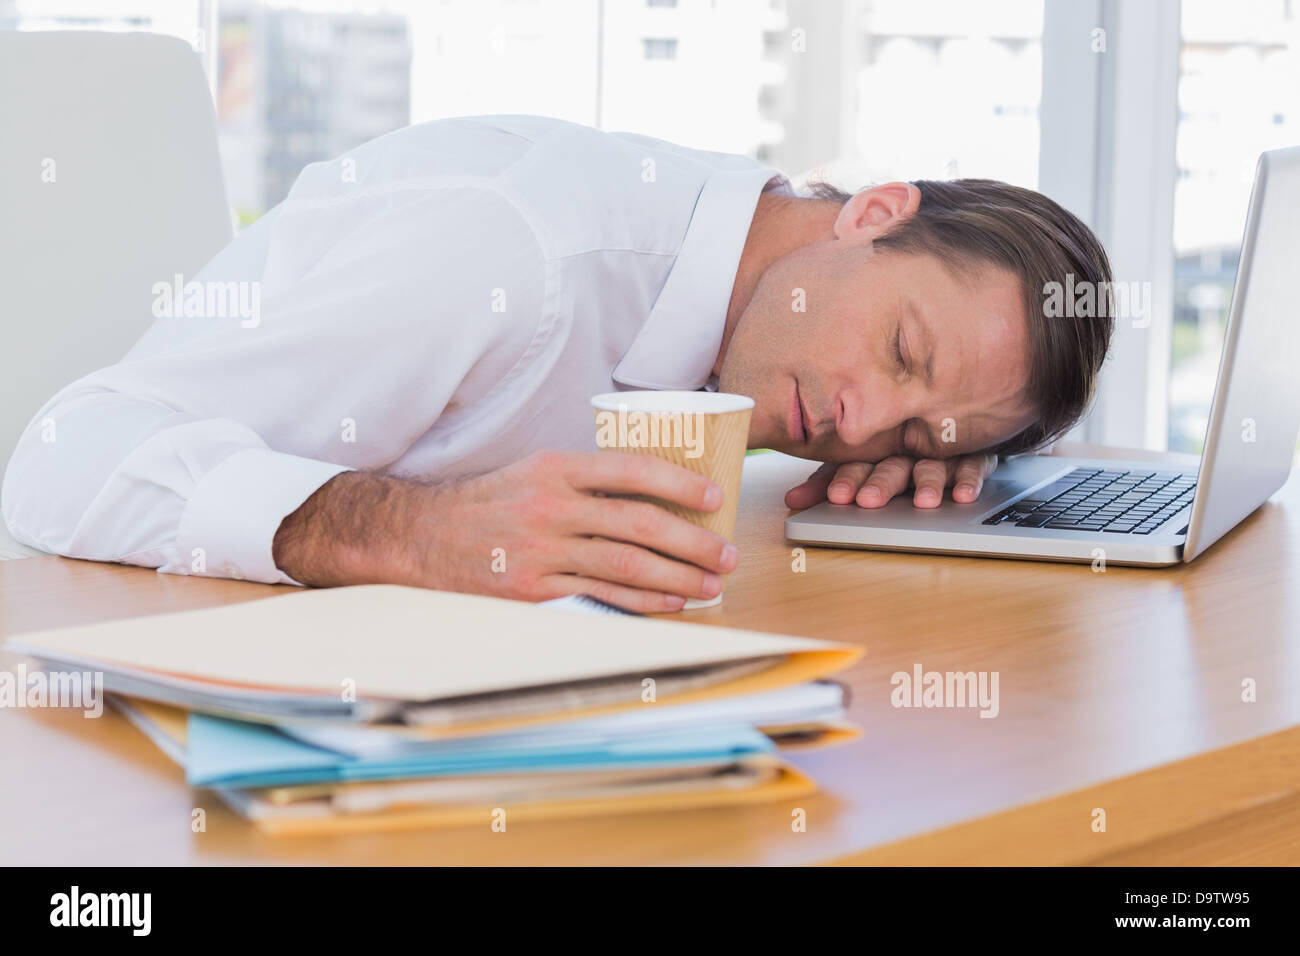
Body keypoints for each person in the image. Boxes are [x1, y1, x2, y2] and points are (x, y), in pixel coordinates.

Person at [1, 115, 1112, 612]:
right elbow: (61, 456)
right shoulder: (510, 249)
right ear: (871, 211)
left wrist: (940, 466)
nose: (860, 418)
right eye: (902, 350)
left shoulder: (765, 295)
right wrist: (412, 530)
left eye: (916, 432)